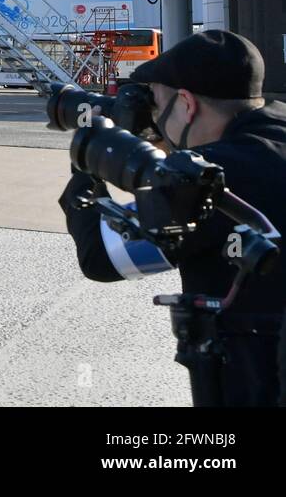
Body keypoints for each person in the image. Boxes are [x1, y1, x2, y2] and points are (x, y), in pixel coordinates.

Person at [59, 30, 286, 406]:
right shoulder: (273, 135)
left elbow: (101, 256)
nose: (153, 116)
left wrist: (90, 157)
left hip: (255, 381)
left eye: (157, 102)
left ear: (186, 103)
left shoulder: (217, 177)